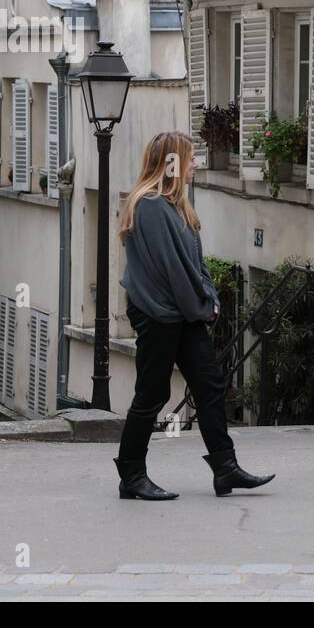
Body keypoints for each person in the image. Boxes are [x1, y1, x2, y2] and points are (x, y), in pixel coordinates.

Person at [113, 130, 274, 500]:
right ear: (171, 163)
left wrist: (209, 298)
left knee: (210, 386)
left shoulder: (175, 206)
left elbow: (195, 265)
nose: (196, 165)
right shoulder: (151, 206)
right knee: (151, 395)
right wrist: (203, 306)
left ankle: (225, 468)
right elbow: (174, 270)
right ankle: (132, 476)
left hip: (181, 314)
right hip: (159, 315)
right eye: (190, 158)